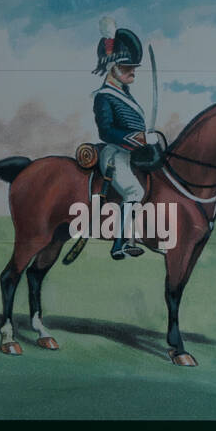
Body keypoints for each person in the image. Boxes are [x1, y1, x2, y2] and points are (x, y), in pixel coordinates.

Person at [91, 18, 160, 259]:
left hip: (133, 153)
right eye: (128, 66)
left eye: (133, 66)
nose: (133, 71)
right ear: (113, 67)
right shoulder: (104, 97)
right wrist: (138, 138)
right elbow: (106, 131)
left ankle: (139, 236)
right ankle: (118, 243)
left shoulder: (125, 94)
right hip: (115, 153)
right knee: (133, 192)